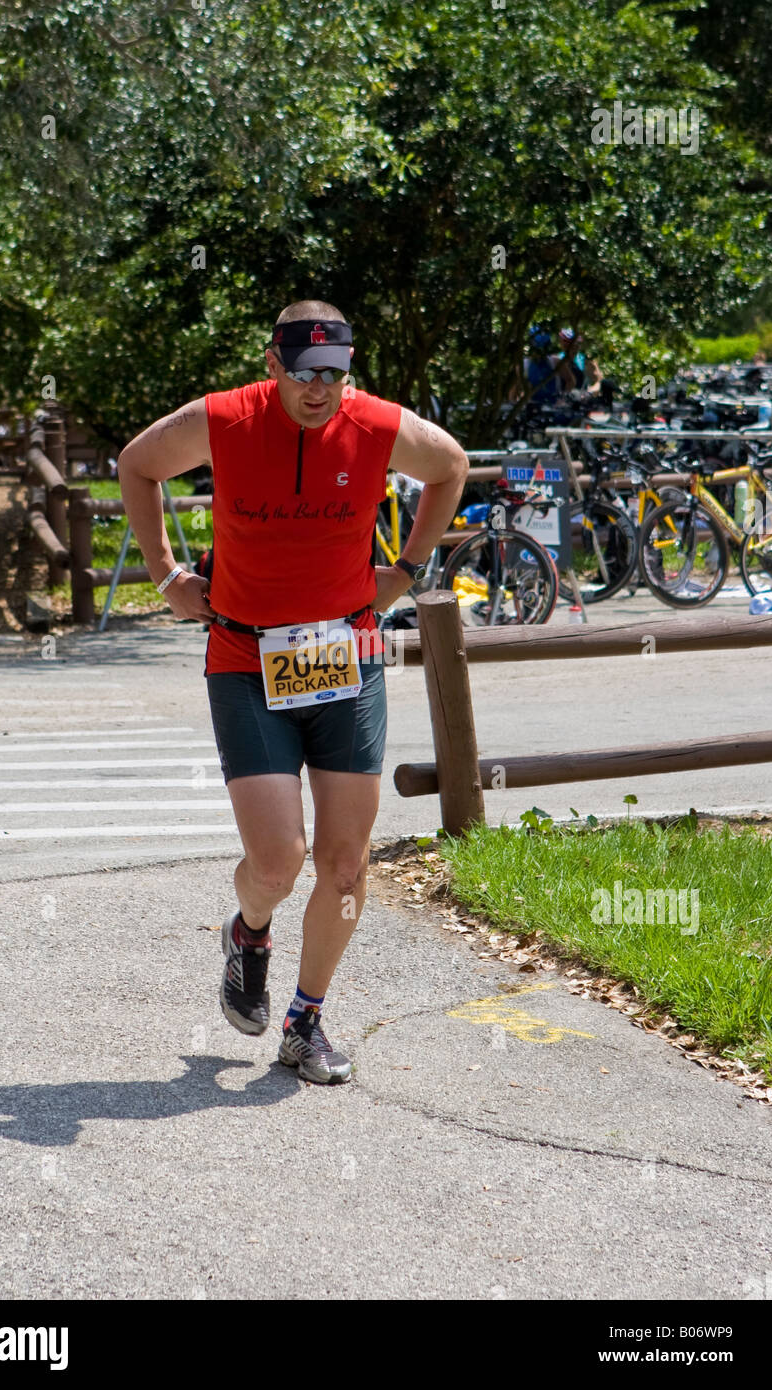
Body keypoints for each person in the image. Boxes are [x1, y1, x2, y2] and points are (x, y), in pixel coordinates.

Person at [117, 299, 468, 1084]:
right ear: (272, 365)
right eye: (305, 374)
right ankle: (248, 930)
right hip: (245, 652)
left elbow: (451, 467)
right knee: (278, 860)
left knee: (344, 866)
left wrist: (405, 570)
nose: (320, 391)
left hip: (348, 652)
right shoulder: (223, 419)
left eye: (335, 376)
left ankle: (304, 1021)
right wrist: (166, 573)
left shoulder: (375, 424)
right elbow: (136, 464)